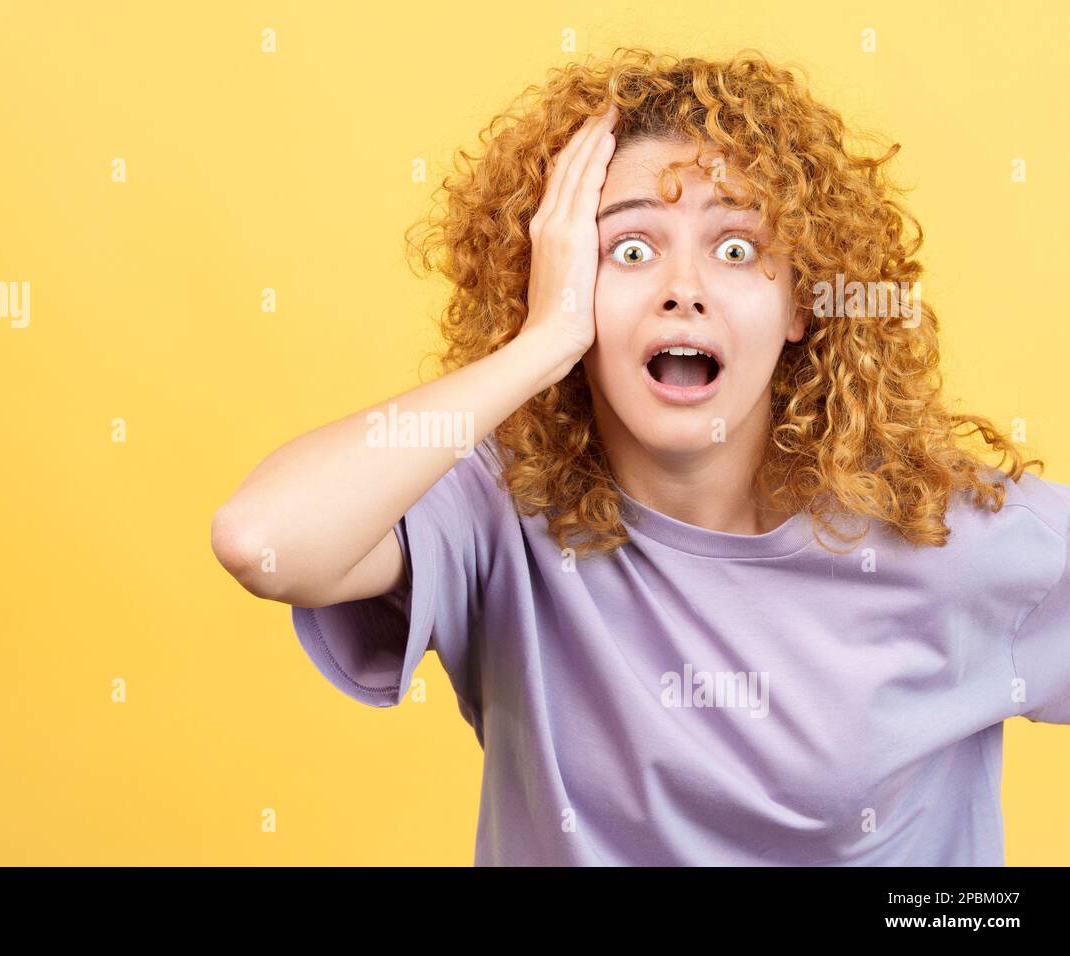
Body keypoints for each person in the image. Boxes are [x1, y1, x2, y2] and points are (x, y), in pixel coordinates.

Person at [211, 48, 1070, 865]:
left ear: (802, 305)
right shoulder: (496, 517)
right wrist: (536, 344)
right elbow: (264, 540)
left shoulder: (953, 539)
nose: (681, 286)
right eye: (627, 249)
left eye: (736, 249)